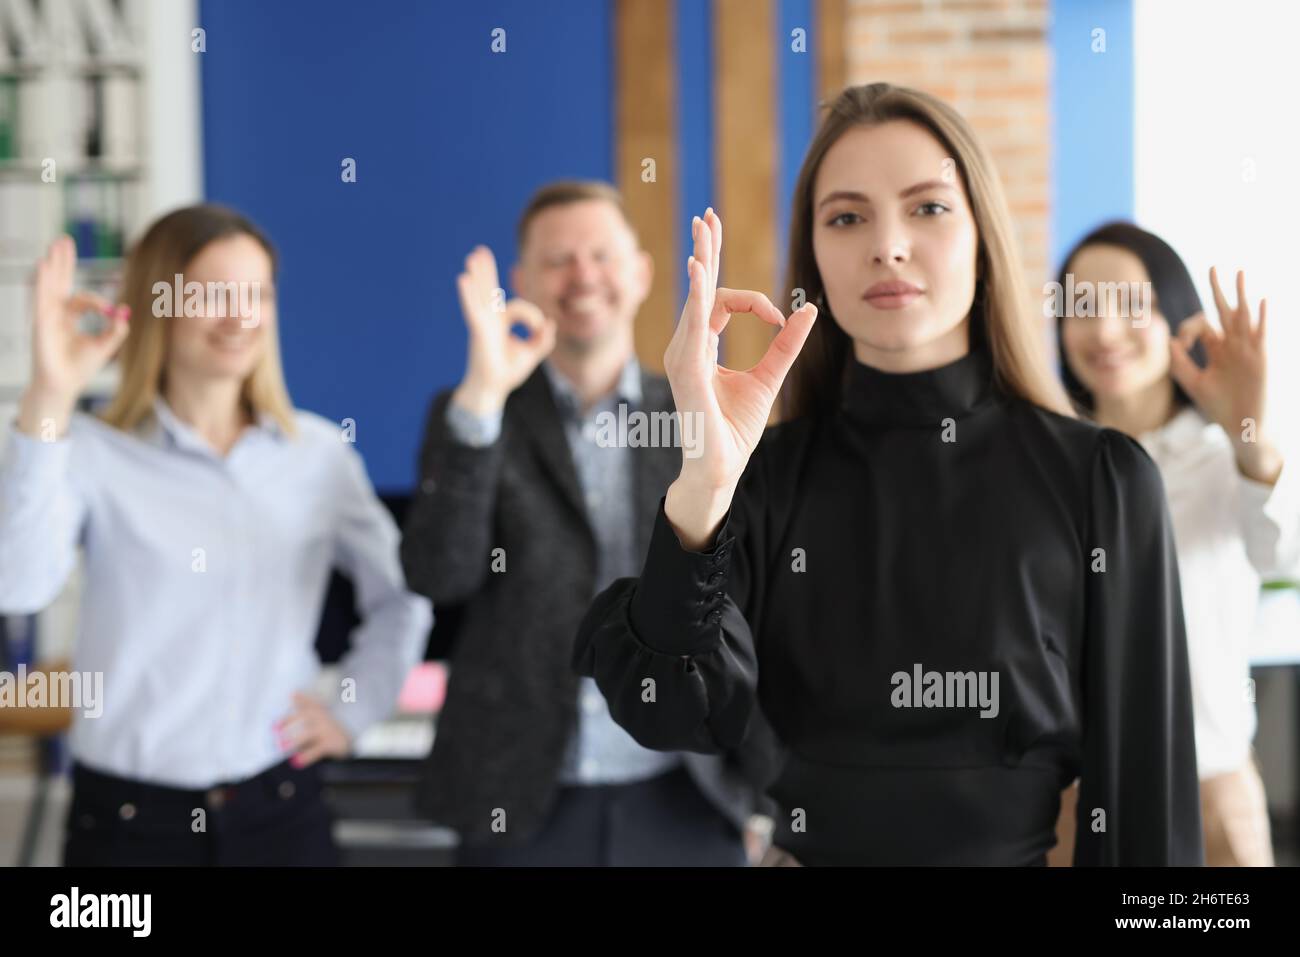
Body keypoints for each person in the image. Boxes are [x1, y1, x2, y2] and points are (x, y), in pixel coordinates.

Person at [573, 83, 1204, 865]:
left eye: (928, 208)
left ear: (983, 237)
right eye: (847, 217)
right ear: (814, 259)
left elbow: (1148, 798)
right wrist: (702, 483)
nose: (888, 244)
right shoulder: (764, 478)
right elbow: (667, 708)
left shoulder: (1101, 479)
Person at [0, 204, 431, 866]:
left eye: (255, 294)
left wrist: (356, 706)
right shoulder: (88, 448)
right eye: (211, 295)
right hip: (126, 827)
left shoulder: (315, 453)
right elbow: (18, 585)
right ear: (157, 304)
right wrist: (49, 397)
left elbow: (404, 594)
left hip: (280, 814)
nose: (239, 317)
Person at [401, 181, 765, 866]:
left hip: (686, 790)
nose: (582, 276)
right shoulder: (474, 413)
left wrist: (763, 792)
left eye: (600, 253)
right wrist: (483, 397)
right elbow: (438, 574)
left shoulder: (702, 414)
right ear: (522, 282)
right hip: (519, 795)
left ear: (640, 272)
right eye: (557, 259)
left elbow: (749, 601)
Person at [1052, 222, 1298, 866]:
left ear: (1178, 319)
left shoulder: (1226, 458)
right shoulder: (1045, 460)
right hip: (1072, 798)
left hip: (1209, 791)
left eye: (1133, 304)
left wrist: (1248, 430)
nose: (1104, 330)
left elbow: (1284, 555)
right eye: (1082, 305)